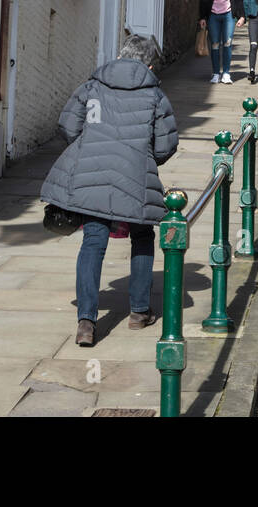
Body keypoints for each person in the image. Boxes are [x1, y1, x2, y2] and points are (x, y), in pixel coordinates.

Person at [41, 34, 178, 348]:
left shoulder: (93, 85)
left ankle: (86, 323)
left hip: (93, 173)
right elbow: (166, 145)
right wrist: (141, 157)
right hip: (135, 175)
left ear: (121, 55)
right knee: (142, 235)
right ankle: (139, 312)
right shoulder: (155, 95)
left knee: (93, 240)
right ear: (151, 64)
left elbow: (67, 126)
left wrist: (90, 147)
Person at [198, 0, 245, 82]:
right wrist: (202, 17)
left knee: (228, 43)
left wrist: (242, 16)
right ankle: (215, 73)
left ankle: (226, 73)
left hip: (228, 15)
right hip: (213, 15)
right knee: (215, 44)